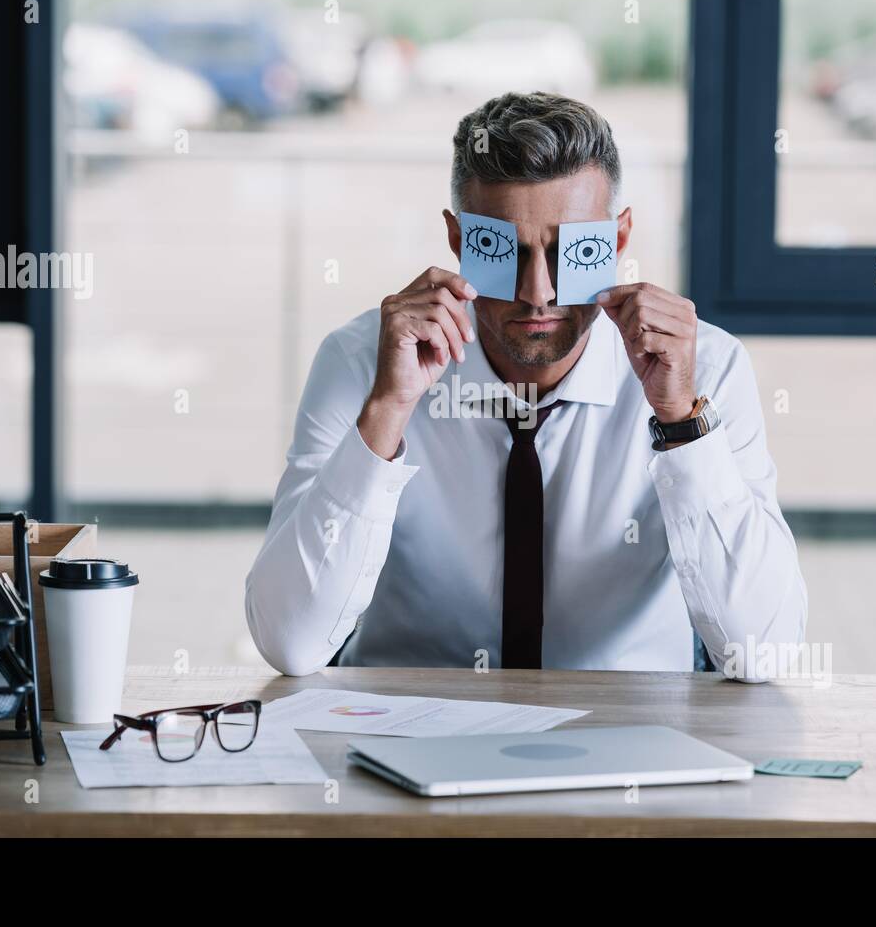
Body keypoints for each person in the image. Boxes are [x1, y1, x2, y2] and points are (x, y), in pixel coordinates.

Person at [246, 91, 807, 677]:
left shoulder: (704, 370)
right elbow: (290, 642)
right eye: (503, 251)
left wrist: (681, 421)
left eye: (573, 252)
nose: (537, 291)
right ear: (459, 240)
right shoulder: (364, 363)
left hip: (626, 735)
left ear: (617, 242)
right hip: (407, 722)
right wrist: (388, 410)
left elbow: (763, 652)